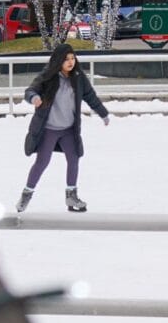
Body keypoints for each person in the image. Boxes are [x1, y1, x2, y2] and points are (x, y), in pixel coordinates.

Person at [18, 44, 110, 213]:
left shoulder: (78, 77)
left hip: (69, 129)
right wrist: (34, 98)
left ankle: (71, 195)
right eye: (66, 59)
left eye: (72, 58)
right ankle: (26, 195)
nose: (70, 62)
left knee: (74, 159)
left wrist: (103, 113)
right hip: (49, 129)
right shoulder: (48, 76)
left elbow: (90, 96)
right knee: (42, 162)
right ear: (58, 61)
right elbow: (30, 90)